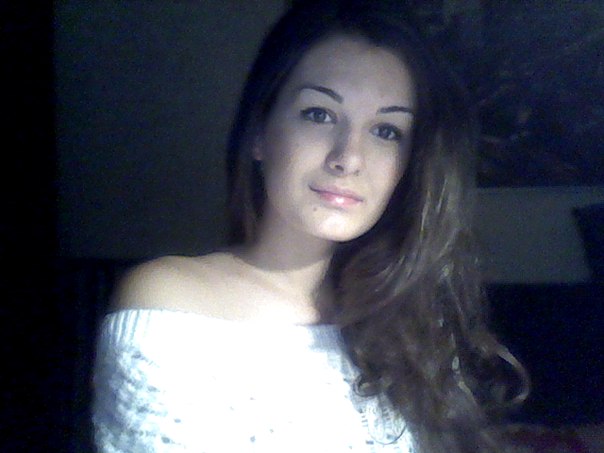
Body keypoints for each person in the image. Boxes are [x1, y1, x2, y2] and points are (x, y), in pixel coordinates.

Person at [92, 1, 528, 452]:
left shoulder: (412, 318)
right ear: (259, 132)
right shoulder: (171, 304)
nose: (349, 158)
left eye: (386, 131)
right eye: (319, 114)